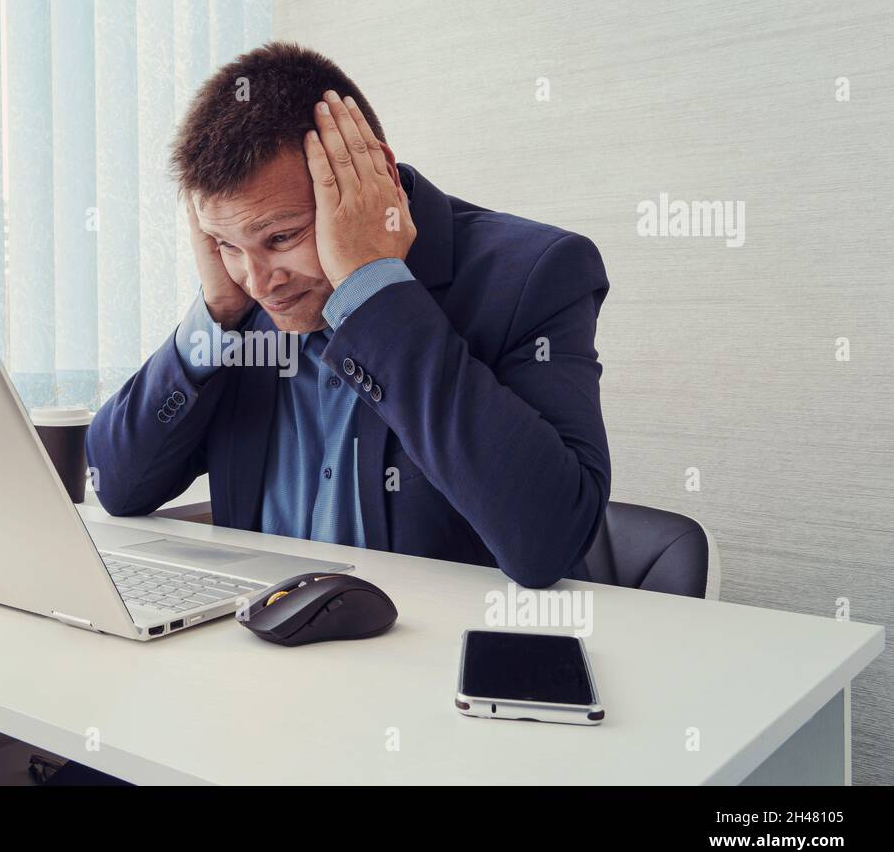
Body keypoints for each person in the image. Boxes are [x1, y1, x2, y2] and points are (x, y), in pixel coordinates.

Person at [86, 42, 610, 588]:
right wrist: (216, 315)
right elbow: (118, 484)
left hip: (431, 658)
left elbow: (548, 540)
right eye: (225, 244)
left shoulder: (535, 273)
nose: (260, 280)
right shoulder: (243, 300)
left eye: (283, 236)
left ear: (370, 179)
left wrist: (373, 293)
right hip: (259, 650)